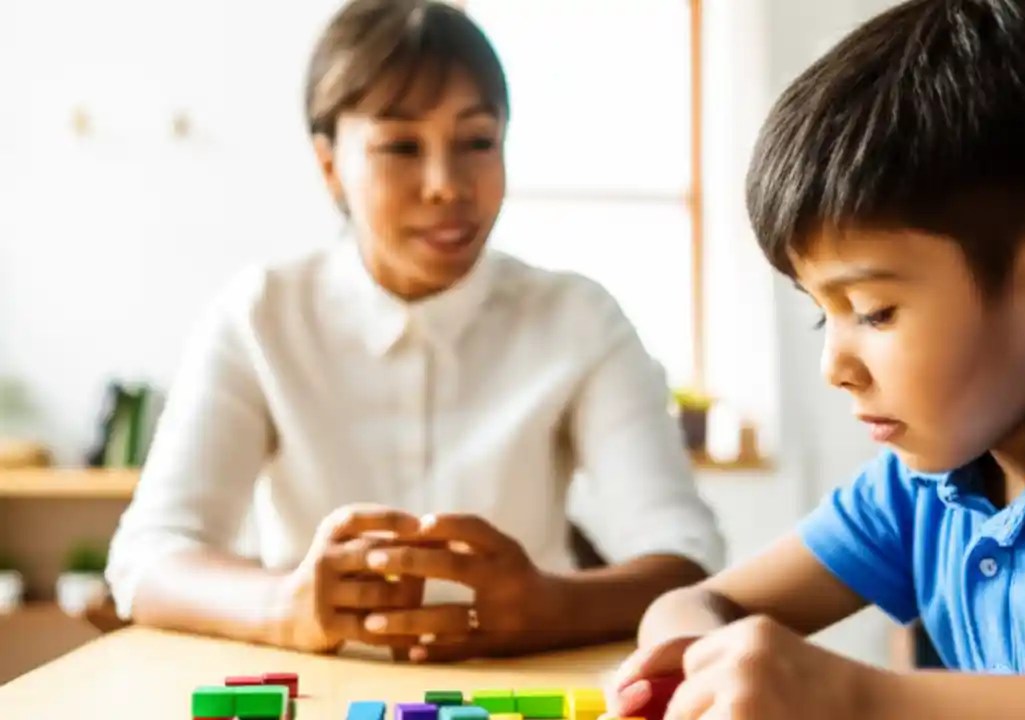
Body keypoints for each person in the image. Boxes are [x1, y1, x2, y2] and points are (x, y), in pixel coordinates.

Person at [609, 0, 1025, 717]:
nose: (836, 365)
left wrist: (875, 701)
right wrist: (700, 660)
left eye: (872, 311)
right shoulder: (922, 490)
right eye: (821, 314)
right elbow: (698, 601)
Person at [106, 0, 723, 663]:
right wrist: (282, 606)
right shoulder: (260, 315)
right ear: (328, 164)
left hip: (523, 685)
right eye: (401, 145)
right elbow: (147, 557)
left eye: (478, 141)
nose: (446, 185)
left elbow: (688, 558)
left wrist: (554, 607)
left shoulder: (578, 318)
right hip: (317, 689)